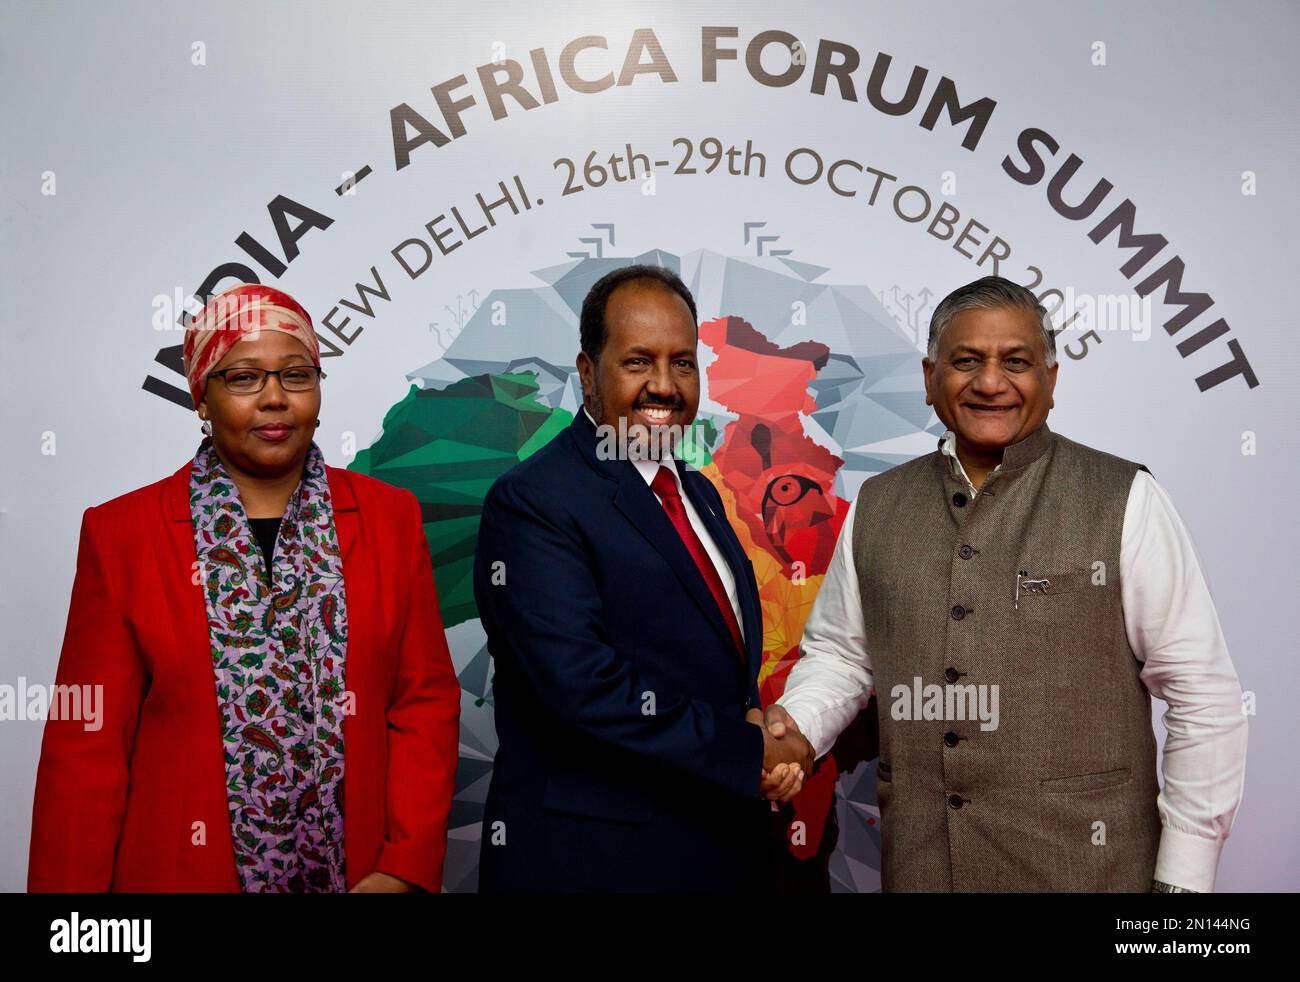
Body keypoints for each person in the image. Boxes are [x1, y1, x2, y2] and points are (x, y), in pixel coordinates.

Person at [764, 275, 1247, 892]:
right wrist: (797, 729)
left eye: (1015, 362)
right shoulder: (879, 505)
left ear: (1051, 377)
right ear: (929, 377)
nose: (991, 383)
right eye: (967, 362)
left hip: (1091, 873)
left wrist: (1182, 883)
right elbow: (841, 656)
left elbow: (1202, 696)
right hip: (923, 870)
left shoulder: (1124, 499)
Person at [28, 283, 460, 892]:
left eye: (295, 374)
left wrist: (405, 867)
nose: (275, 399)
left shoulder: (390, 519)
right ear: (201, 396)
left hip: (361, 877)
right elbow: (85, 750)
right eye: (244, 379)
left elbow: (423, 703)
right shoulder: (122, 534)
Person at [473, 264, 812, 892]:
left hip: (712, 849)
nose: (664, 386)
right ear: (586, 372)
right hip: (591, 865)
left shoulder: (699, 493)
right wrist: (749, 753)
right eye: (637, 362)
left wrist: (760, 736)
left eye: (683, 363)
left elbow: (709, 666)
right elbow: (582, 689)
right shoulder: (535, 501)